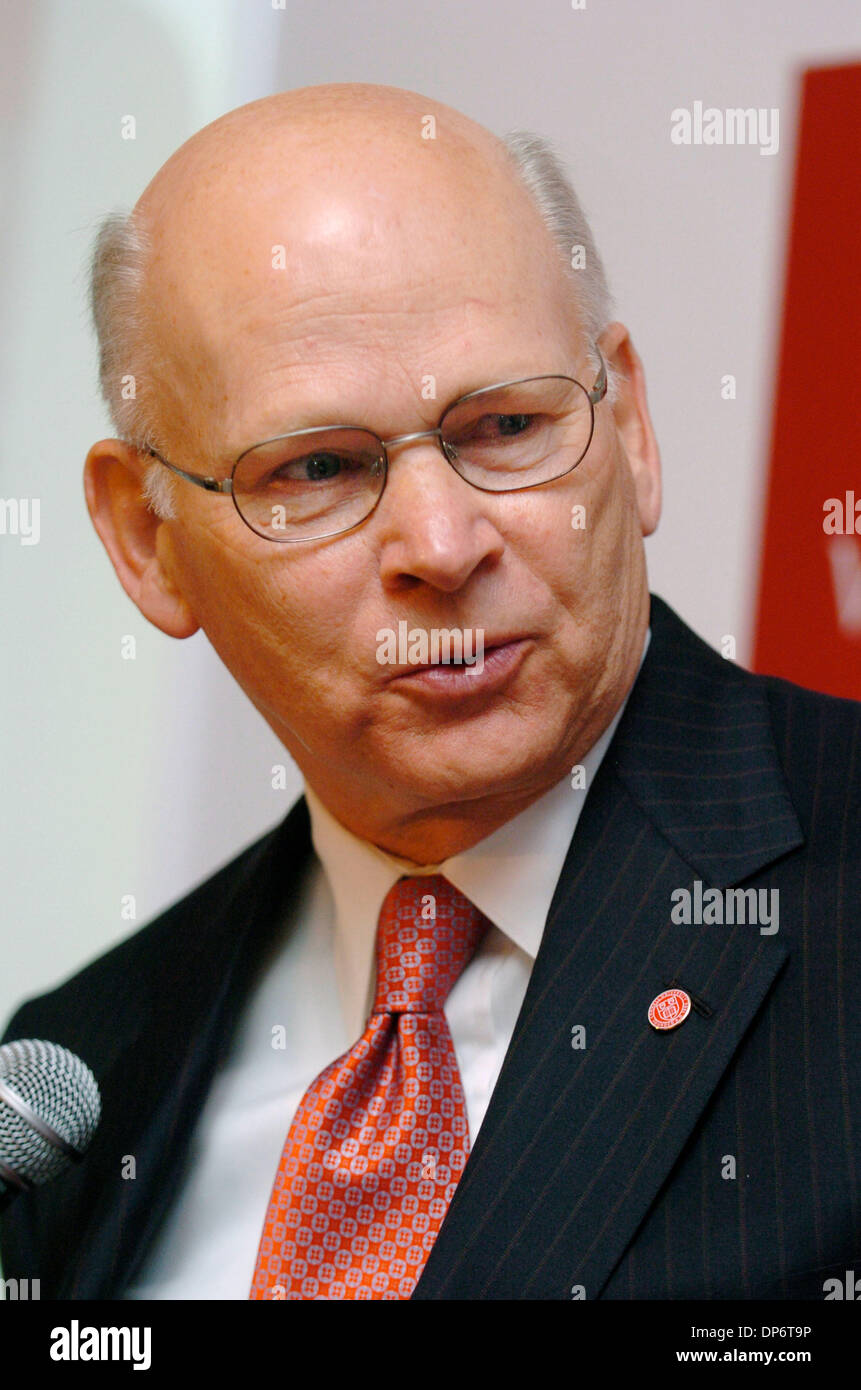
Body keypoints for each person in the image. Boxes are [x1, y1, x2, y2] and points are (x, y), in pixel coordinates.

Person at [2, 83, 859, 1301]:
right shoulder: (81, 1071)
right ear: (147, 540)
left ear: (635, 430)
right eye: (317, 468)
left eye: (507, 425)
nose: (444, 543)